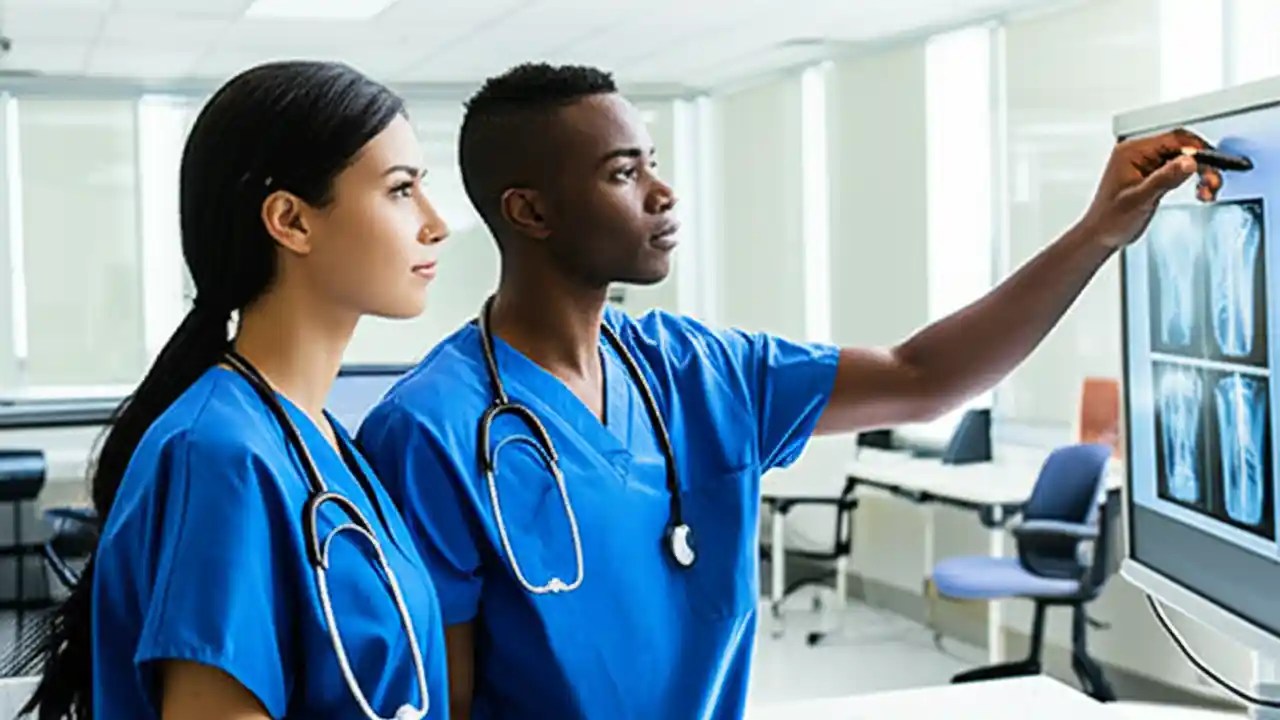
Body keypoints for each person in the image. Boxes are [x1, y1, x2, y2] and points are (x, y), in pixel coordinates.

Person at [355, 62, 1217, 719]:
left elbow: (926, 378)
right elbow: (446, 700)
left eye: (653, 163)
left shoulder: (696, 371)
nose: (664, 193)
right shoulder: (428, 430)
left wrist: (1098, 232)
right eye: (623, 174)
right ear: (530, 214)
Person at [23, 60, 450, 720]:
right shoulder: (219, 455)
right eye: (400, 190)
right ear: (292, 221)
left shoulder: (322, 441)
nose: (436, 223)